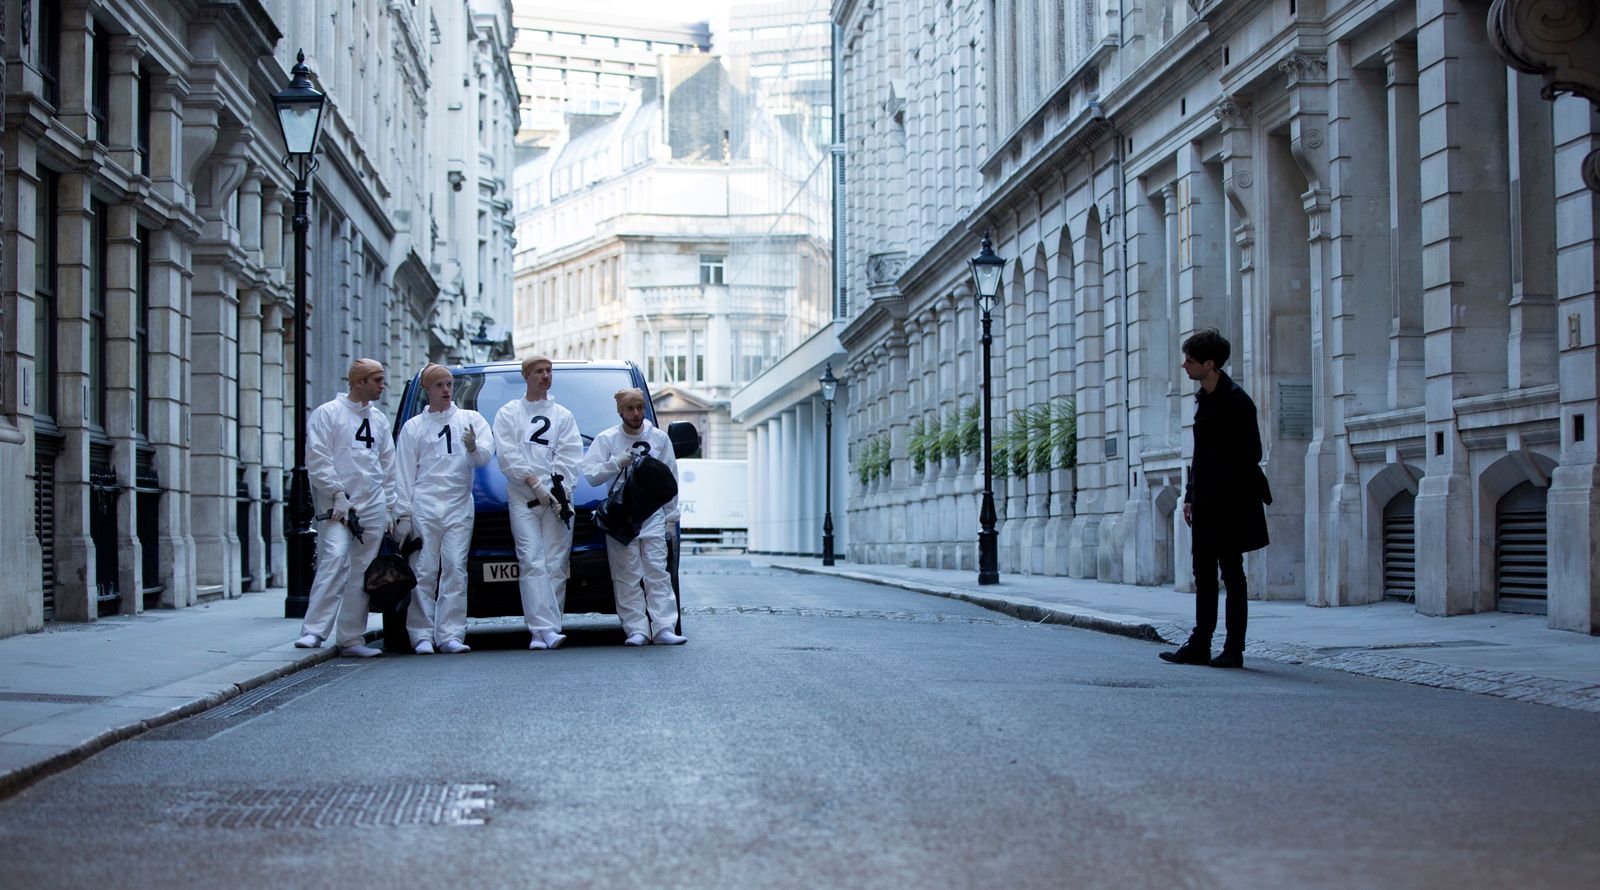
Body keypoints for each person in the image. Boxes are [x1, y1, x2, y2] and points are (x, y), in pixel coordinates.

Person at [1160, 328, 1271, 669]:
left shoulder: (1237, 401)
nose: (1184, 366)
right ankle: (1200, 644)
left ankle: (1234, 649)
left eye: (1190, 360)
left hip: (1232, 501)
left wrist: (1218, 485)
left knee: (1232, 573)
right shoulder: (1204, 398)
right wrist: (1191, 495)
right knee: (1203, 573)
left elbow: (1252, 452)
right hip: (1207, 499)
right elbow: (1201, 455)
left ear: (1210, 364)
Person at [295, 358, 398, 657]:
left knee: (362, 572)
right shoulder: (328, 414)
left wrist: (389, 506)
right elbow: (317, 457)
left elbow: (387, 466)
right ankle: (314, 631)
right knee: (334, 560)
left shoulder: (378, 419)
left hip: (373, 504)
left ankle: (351, 638)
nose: (382, 386)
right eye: (376, 380)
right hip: (338, 506)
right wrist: (337, 493)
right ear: (358, 382)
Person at [393, 363, 494, 655]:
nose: (447, 390)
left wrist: (474, 447)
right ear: (427, 390)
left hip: (458, 503)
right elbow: (404, 472)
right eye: (439, 385)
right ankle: (421, 634)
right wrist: (403, 513)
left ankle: (450, 632)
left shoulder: (470, 419)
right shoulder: (414, 428)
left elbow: (485, 456)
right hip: (424, 503)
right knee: (423, 569)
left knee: (454, 567)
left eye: (449, 384)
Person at [583, 388, 686, 646]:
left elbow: (670, 479)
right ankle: (636, 629)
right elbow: (591, 474)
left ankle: (663, 626)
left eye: (640, 408)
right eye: (630, 409)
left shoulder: (660, 439)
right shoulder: (607, 439)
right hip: (621, 516)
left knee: (657, 572)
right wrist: (616, 463)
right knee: (626, 574)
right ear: (621, 411)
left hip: (652, 515)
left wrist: (670, 519)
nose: (636, 414)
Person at [493, 355, 583, 650]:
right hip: (523, 496)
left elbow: (569, 455)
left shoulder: (563, 415)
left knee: (556, 561)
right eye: (539, 372)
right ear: (527, 376)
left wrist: (559, 490)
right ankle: (538, 628)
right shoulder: (509, 413)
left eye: (549, 371)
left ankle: (551, 626)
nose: (545, 376)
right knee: (531, 559)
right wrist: (533, 482)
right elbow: (508, 453)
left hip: (556, 499)